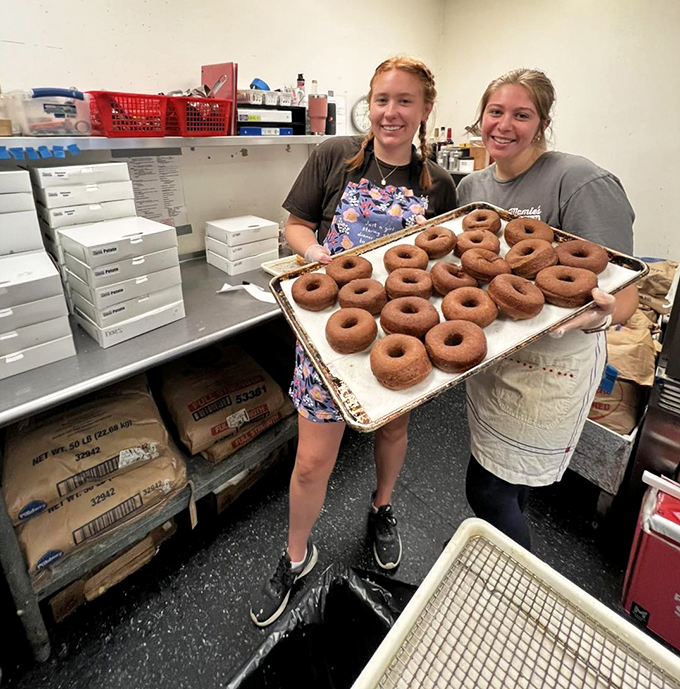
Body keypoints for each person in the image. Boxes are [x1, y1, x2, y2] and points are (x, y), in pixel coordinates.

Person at [250, 56, 457, 627]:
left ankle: (381, 508)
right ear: (370, 104)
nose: (390, 113)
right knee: (314, 461)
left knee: (393, 427)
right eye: (381, 100)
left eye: (405, 101)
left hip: (400, 331)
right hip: (328, 332)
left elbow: (447, 261)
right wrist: (319, 254)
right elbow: (293, 224)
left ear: (425, 109)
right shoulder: (333, 158)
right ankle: (296, 556)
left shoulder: (440, 185)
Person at [456, 68, 638, 551]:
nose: (504, 125)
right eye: (496, 111)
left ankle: (518, 589)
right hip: (496, 353)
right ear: (481, 116)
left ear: (543, 122)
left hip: (552, 364)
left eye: (522, 114)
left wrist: (595, 316)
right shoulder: (471, 188)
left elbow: (625, 297)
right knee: (507, 480)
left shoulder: (578, 180)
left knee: (488, 490)